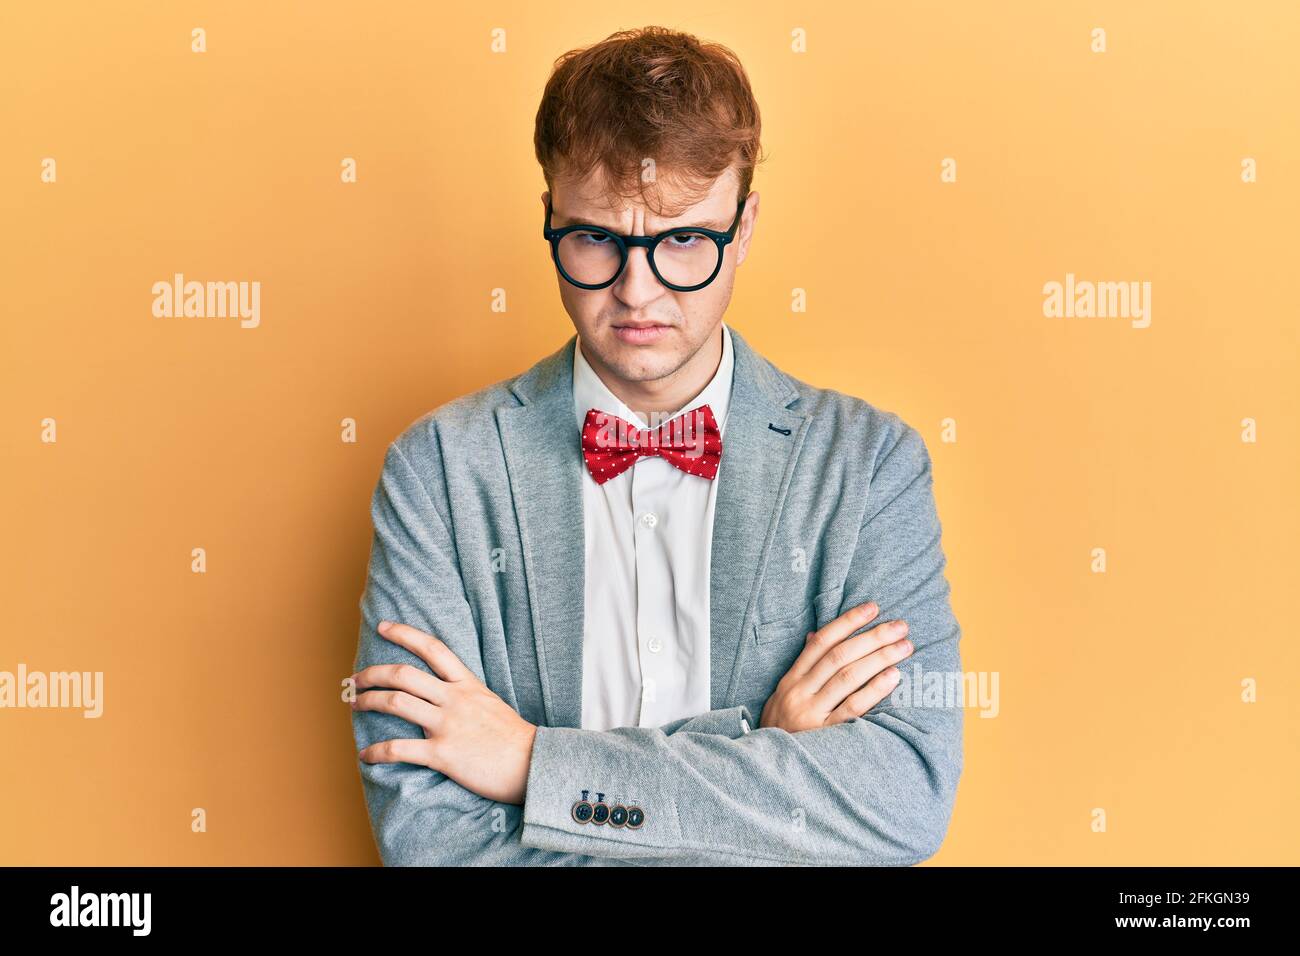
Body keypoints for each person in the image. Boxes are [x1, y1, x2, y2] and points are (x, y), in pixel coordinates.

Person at [348, 25, 963, 866]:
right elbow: (430, 844)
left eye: (683, 240)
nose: (637, 293)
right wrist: (762, 756)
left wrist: (534, 765)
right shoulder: (439, 472)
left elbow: (904, 801)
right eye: (596, 238)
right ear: (549, 217)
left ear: (744, 226)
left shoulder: (869, 467)